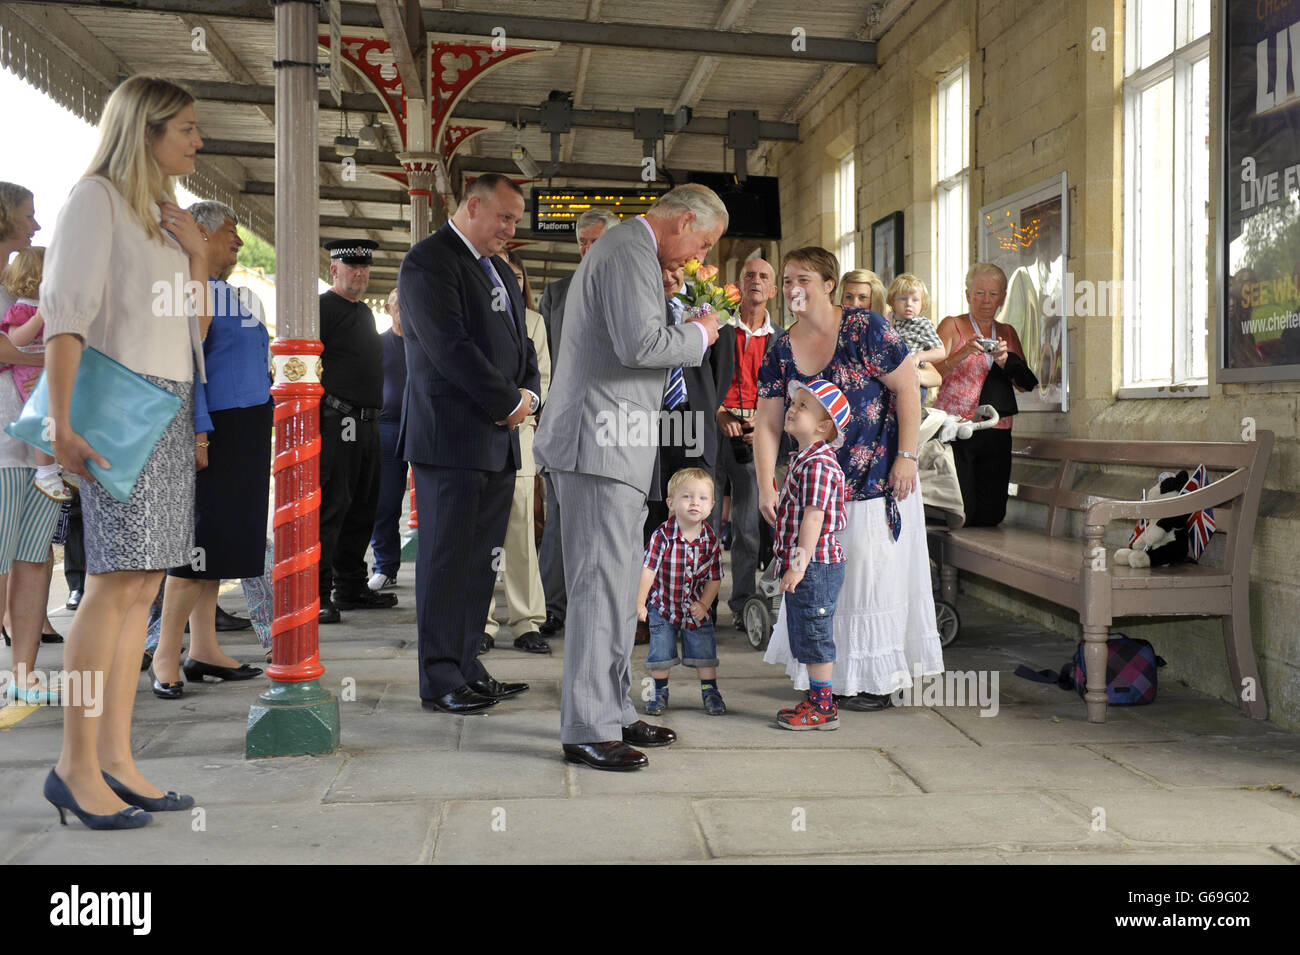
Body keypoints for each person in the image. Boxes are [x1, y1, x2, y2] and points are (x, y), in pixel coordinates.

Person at [43, 75, 207, 828]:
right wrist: (62, 422)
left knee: (139, 585)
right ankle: (75, 765)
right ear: (145, 130)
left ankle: (115, 757)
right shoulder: (96, 200)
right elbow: (65, 317)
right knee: (110, 586)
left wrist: (199, 260)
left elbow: (192, 338)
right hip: (118, 408)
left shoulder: (157, 218)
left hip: (166, 404)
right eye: (186, 129)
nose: (197, 142)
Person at [533, 183, 726, 772]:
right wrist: (701, 333)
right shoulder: (624, 248)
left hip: (616, 442)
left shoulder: (635, 254)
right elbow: (638, 345)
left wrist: (674, 309)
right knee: (597, 591)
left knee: (618, 592)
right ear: (685, 219)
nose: (698, 257)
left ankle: (611, 709)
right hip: (597, 442)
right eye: (704, 241)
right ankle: (587, 727)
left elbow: (631, 336)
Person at [755, 247, 943, 712]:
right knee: (819, 580)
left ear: (828, 285)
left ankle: (873, 679)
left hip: (879, 479)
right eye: (787, 281)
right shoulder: (781, 347)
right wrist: (765, 484)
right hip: (817, 487)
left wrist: (906, 456)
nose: (793, 288)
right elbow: (766, 422)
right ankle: (825, 680)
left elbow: (906, 389)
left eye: (803, 279)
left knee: (869, 581)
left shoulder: (865, 327)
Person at [398, 173, 539, 714]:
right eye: (503, 217)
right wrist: (507, 404)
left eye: (515, 220)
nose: (510, 229)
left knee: (482, 561)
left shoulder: (499, 270)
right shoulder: (429, 261)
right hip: (451, 438)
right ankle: (439, 677)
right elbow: (449, 348)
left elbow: (522, 343)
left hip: (498, 441)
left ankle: (467, 666)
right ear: (473, 206)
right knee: (445, 560)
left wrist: (527, 392)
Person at [150, 200, 271, 698]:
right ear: (199, 233)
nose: (239, 241)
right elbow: (186, 365)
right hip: (216, 428)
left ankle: (204, 648)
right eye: (230, 231)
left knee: (219, 549)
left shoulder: (228, 293)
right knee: (198, 545)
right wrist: (198, 430)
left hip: (243, 426)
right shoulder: (187, 289)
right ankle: (164, 655)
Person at [536, 208, 621, 642]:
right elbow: (545, 359)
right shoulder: (556, 293)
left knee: (610, 518)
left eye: (596, 240)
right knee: (559, 517)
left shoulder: (631, 289)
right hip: (566, 419)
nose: (588, 249)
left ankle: (606, 608)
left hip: (616, 421)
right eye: (582, 242)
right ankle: (553, 606)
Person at [317, 238, 397, 623]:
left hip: (369, 422)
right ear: (334, 269)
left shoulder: (365, 313)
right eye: (352, 268)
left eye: (364, 268)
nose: (360, 274)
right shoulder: (322, 308)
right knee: (334, 506)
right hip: (339, 419)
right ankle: (317, 593)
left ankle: (350, 586)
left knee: (364, 506)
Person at [480, 250, 551, 655]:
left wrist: (520, 407)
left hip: (520, 433)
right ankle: (481, 622)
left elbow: (542, 378)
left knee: (522, 532)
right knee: (481, 536)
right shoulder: (475, 317)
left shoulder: (534, 322)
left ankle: (526, 622)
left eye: (518, 275)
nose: (512, 280)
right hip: (479, 434)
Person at [771, 378, 849, 730]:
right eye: (794, 402)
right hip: (811, 565)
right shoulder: (805, 458)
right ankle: (818, 700)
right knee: (806, 629)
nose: (793, 408)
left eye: (803, 406)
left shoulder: (818, 464)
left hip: (815, 565)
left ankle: (823, 707)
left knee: (816, 633)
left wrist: (798, 567)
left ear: (823, 426)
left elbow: (814, 518)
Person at [933, 263, 1036, 528]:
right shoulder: (951, 325)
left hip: (996, 428)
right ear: (968, 295)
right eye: (979, 293)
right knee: (962, 508)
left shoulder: (1008, 332)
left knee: (992, 512)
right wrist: (962, 354)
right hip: (956, 427)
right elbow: (929, 374)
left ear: (1002, 297)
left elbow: (1024, 384)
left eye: (993, 294)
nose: (986, 300)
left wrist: (1004, 361)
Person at [712, 257, 780, 625]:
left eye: (764, 277)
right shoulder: (717, 329)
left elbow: (788, 390)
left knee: (747, 528)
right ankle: (701, 608)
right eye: (749, 275)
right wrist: (719, 411)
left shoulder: (781, 338)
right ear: (738, 285)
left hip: (756, 436)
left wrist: (765, 421)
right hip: (714, 431)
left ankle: (741, 605)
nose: (756, 281)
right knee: (702, 524)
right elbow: (701, 379)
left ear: (772, 290)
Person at [636, 467, 724, 716]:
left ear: (712, 505)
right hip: (663, 607)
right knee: (660, 655)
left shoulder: (711, 540)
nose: (695, 502)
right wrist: (640, 603)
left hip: (696, 609)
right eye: (687, 497)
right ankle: (658, 691)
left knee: (705, 654)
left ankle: (710, 691)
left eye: (703, 498)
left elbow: (715, 578)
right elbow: (648, 570)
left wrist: (705, 604)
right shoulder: (661, 536)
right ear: (671, 503)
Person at [1, 247, 73, 502]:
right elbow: (16, 339)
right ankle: (46, 471)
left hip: (48, 372)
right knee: (44, 418)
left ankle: (62, 463)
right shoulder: (23, 308)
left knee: (59, 416)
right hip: (29, 374)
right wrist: (40, 317)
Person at [367, 287, 408, 593]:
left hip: (425, 426)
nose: (402, 310)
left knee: (437, 499)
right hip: (388, 426)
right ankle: (385, 566)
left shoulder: (427, 343)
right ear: (388, 308)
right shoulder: (377, 345)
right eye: (397, 304)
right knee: (385, 503)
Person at [882, 272, 946, 393]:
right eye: (903, 299)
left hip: (915, 381)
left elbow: (941, 351)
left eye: (915, 300)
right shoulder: (889, 322)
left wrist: (918, 357)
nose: (909, 304)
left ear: (922, 304)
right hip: (893, 377)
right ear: (892, 302)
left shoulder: (922, 324)